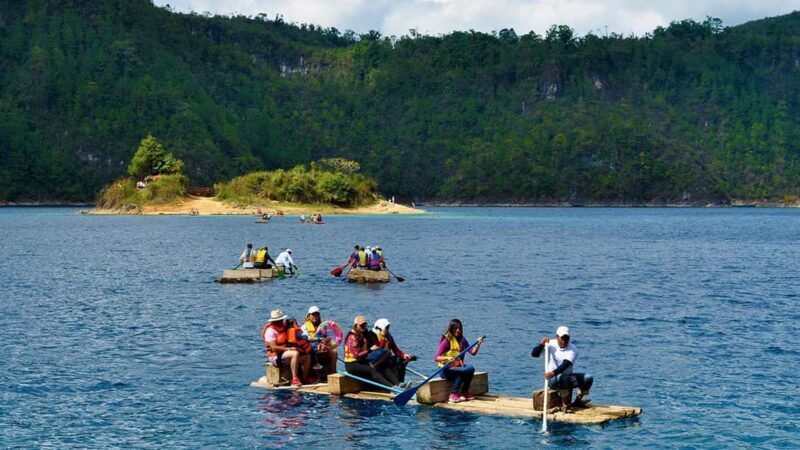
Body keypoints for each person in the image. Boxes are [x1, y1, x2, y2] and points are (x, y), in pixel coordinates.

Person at [531, 326, 593, 413]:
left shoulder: (573, 349)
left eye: (566, 338)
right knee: (563, 377)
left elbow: (566, 364)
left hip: (565, 377)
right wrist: (541, 345)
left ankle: (578, 401)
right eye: (562, 338)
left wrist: (553, 372)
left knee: (588, 378)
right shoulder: (550, 344)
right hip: (553, 380)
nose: (564, 341)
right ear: (557, 337)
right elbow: (534, 354)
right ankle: (565, 405)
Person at [344, 315, 400, 389]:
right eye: (361, 325)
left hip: (362, 360)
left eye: (365, 325)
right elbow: (357, 355)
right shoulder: (352, 337)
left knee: (383, 366)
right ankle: (391, 387)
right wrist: (370, 349)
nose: (363, 327)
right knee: (372, 370)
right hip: (352, 364)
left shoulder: (364, 333)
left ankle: (398, 384)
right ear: (356, 325)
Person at [434, 319, 483, 403]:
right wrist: (447, 358)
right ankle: (453, 394)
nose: (458, 330)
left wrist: (478, 344)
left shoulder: (462, 340)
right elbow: (436, 358)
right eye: (455, 328)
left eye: (459, 328)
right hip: (445, 369)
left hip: (457, 367)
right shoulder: (447, 341)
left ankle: (464, 392)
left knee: (471, 369)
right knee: (463, 371)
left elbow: (473, 352)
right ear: (451, 329)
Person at [262, 309, 312, 386]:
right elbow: (274, 348)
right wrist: (289, 349)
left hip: (286, 353)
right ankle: (294, 379)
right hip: (276, 356)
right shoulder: (270, 331)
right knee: (295, 353)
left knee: (307, 356)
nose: (281, 321)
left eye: (281, 319)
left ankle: (304, 378)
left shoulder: (284, 326)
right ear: (274, 321)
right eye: (279, 320)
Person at [373, 318, 415, 385]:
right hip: (377, 362)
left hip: (386, 359)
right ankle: (397, 384)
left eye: (388, 328)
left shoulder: (388, 336)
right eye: (386, 328)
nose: (387, 330)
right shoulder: (373, 336)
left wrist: (403, 355)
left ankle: (401, 381)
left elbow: (395, 349)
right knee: (385, 367)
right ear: (380, 327)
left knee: (401, 359)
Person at [301, 306, 338, 374]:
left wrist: (326, 340)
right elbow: (306, 338)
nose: (315, 316)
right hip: (310, 347)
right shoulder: (304, 327)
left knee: (334, 352)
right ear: (309, 316)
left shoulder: (322, 326)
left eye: (317, 314)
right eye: (313, 314)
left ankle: (333, 373)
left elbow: (327, 336)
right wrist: (319, 339)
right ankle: (315, 374)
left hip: (322, 345)